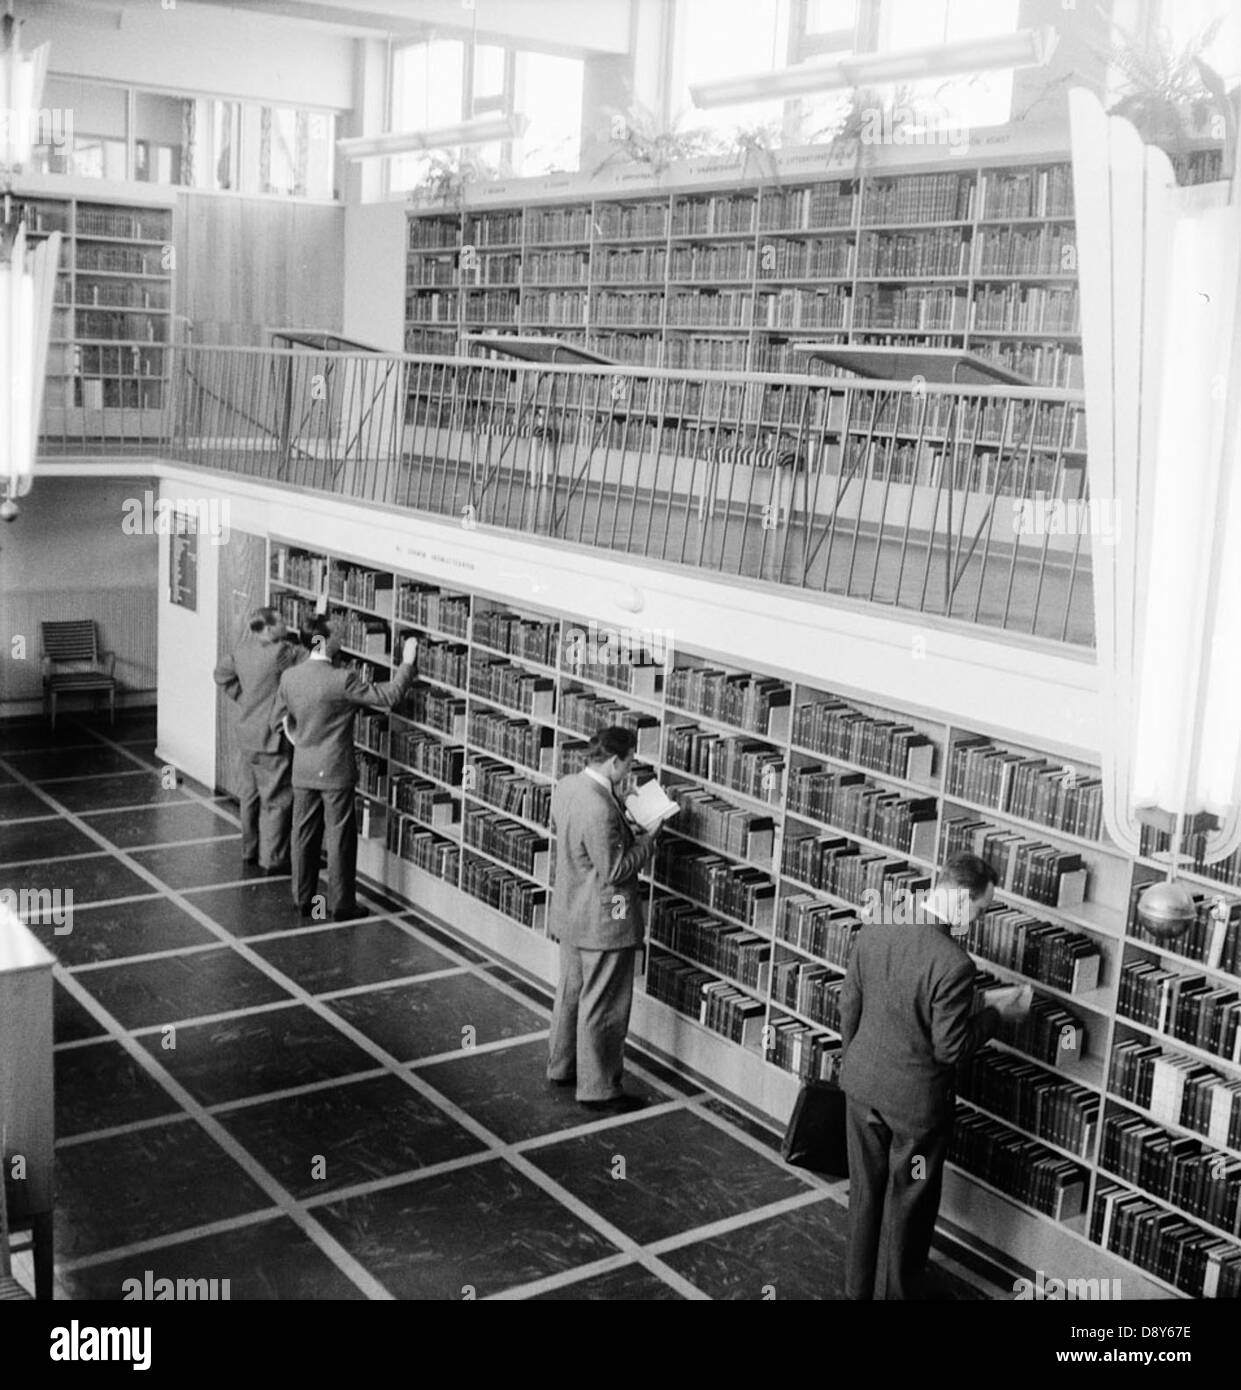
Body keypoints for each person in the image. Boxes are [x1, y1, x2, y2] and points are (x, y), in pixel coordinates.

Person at [838, 852, 1030, 1300]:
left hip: (862, 1088)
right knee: (907, 1205)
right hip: (915, 1112)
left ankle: (856, 1292)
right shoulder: (954, 962)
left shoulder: (879, 926)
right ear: (963, 900)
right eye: (981, 910)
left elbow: (850, 1006)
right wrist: (997, 1014)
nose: (978, 920)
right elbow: (952, 1048)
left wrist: (857, 1063)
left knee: (865, 1196)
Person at [272, 615, 417, 922]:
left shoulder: (290, 677)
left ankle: (305, 900)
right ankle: (341, 906)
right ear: (323, 641)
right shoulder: (342, 679)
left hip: (304, 769)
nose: (343, 635)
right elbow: (388, 697)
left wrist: (298, 737)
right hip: (335, 770)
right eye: (337, 633)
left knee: (303, 836)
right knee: (339, 839)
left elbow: (280, 720)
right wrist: (407, 663)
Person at [547, 726, 659, 1114]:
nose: (630, 771)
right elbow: (615, 870)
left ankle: (562, 1066)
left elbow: (569, 836)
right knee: (605, 1006)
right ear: (614, 761)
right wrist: (648, 839)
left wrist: (618, 804)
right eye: (629, 763)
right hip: (604, 921)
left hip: (571, 912)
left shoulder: (567, 786)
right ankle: (599, 1088)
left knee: (571, 994)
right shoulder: (599, 808)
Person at [212, 607, 303, 874]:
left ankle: (249, 850)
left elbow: (220, 674)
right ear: (268, 628)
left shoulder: (241, 650)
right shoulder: (282, 652)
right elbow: (315, 658)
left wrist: (244, 698)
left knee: (249, 796)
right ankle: (273, 859)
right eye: (282, 621)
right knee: (276, 799)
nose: (287, 623)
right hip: (271, 738)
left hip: (247, 735)